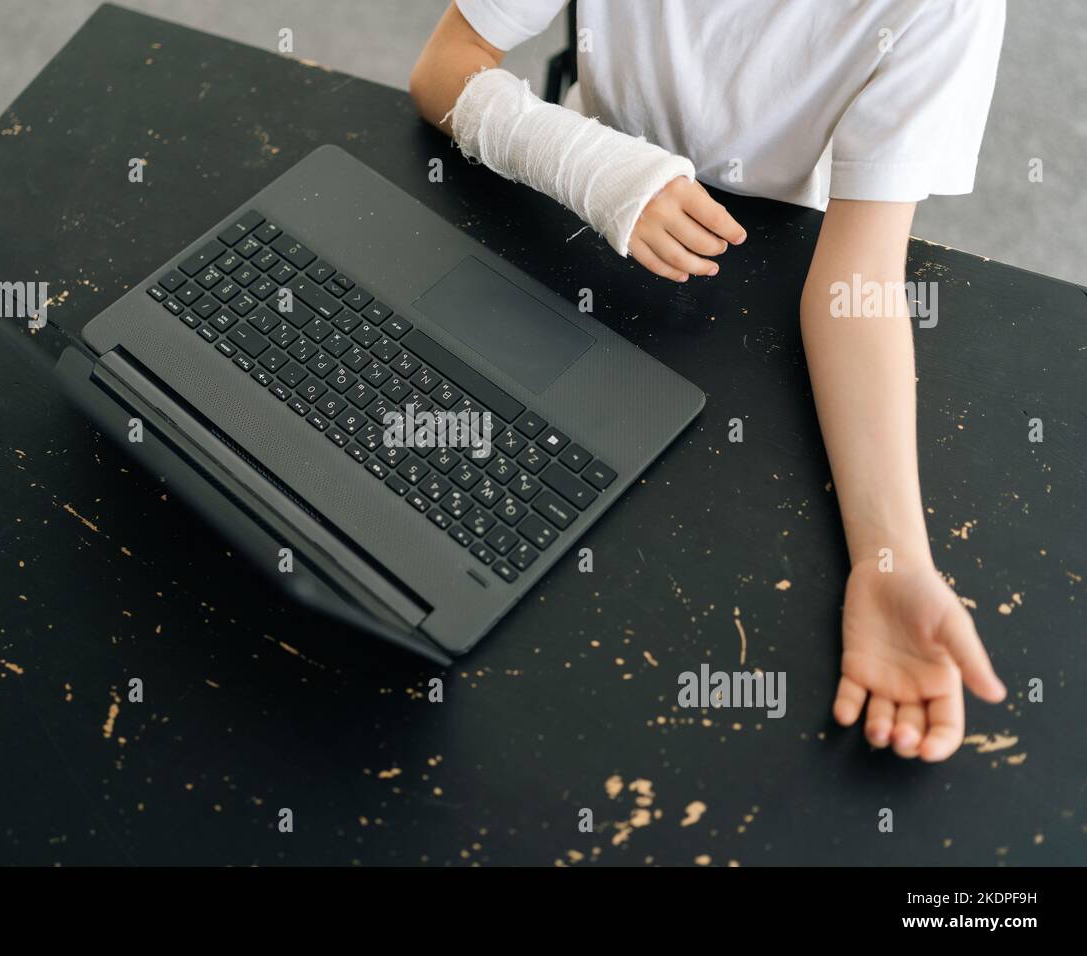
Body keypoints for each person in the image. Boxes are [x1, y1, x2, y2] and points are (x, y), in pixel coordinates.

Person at [410, 0, 1009, 761]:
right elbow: (443, 68)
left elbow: (860, 279)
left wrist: (893, 562)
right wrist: (602, 169)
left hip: (764, 260)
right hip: (579, 222)